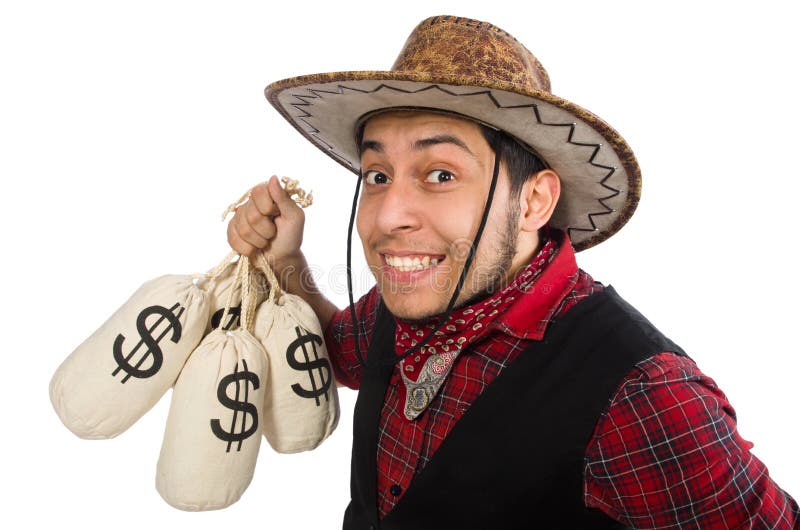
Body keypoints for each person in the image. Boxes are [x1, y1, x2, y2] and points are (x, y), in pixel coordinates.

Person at [227, 15, 799, 529]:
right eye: (378, 175)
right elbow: (338, 352)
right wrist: (285, 264)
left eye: (440, 174)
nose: (389, 215)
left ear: (533, 203)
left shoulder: (642, 395)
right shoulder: (405, 297)